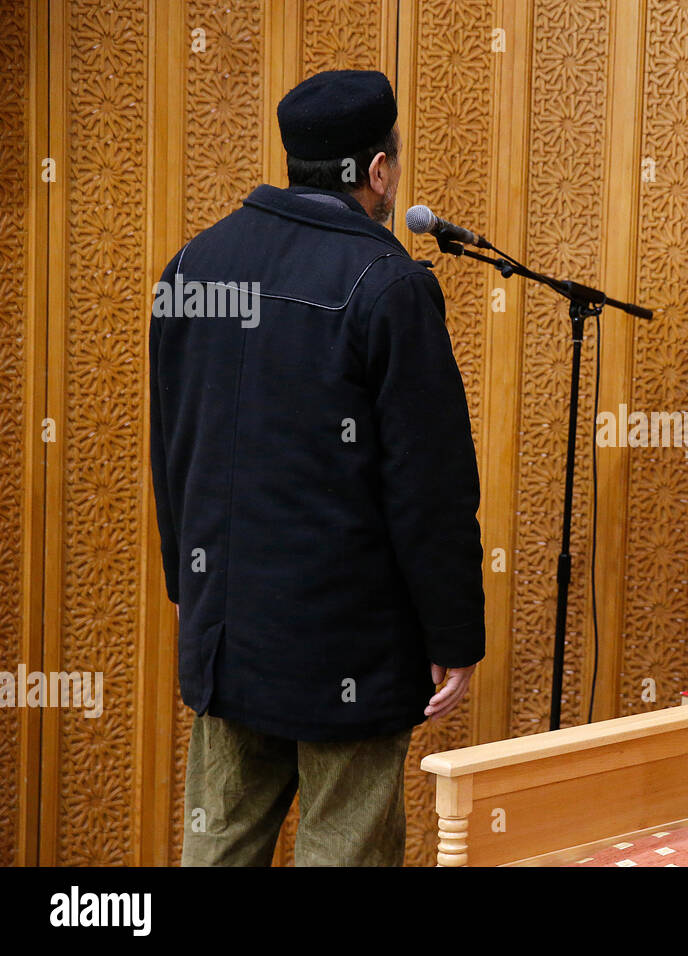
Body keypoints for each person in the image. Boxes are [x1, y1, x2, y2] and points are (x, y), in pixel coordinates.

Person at [148, 69, 484, 866]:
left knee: (218, 846)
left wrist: (190, 591)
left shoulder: (192, 267)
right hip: (349, 650)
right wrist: (452, 631)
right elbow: (428, 486)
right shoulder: (391, 284)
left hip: (228, 633)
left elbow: (173, 448)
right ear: (378, 171)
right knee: (345, 851)